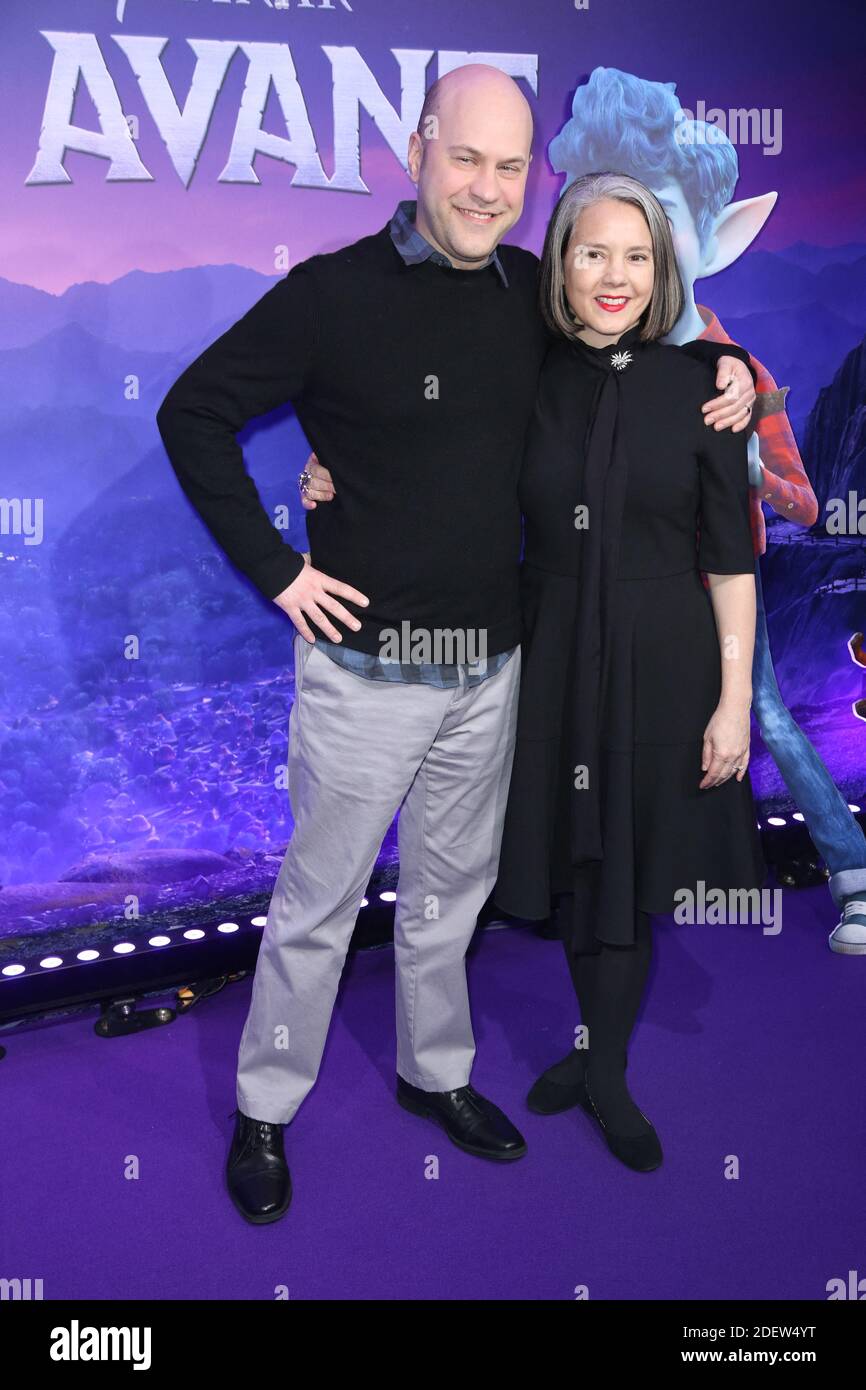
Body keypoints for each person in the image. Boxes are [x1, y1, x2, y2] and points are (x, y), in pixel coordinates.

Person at [156, 64, 755, 1225]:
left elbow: (641, 343)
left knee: (450, 899)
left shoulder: (533, 292)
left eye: (508, 168)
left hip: (495, 673)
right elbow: (192, 412)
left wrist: (734, 373)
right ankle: (265, 1108)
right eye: (465, 158)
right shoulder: (331, 295)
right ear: (420, 149)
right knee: (319, 902)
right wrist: (282, 566)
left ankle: (436, 1076)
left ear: (533, 183)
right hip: (364, 675)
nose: (485, 188)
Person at [547, 65, 866, 954]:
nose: (637, 249)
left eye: (661, 228)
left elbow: (802, 501)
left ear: (713, 237)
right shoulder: (589, 354)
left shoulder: (739, 369)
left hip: (721, 581)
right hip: (629, 585)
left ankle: (854, 869)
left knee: (757, 711)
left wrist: (752, 468)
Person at [492, 172, 766, 1172]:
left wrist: (732, 701)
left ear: (661, 272)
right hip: (552, 647)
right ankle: (589, 1045)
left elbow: (729, 561)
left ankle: (602, 1072)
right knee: (573, 859)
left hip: (663, 658)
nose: (613, 275)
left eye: (635, 256)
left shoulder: (702, 386)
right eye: (590, 252)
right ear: (558, 263)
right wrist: (328, 473)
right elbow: (427, 440)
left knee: (628, 866)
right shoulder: (523, 373)